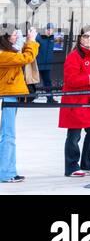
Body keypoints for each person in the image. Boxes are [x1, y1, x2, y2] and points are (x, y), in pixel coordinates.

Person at [59, 25, 90, 177]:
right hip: (75, 99)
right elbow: (70, 80)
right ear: (80, 38)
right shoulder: (73, 56)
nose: (89, 39)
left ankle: (88, 163)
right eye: (86, 36)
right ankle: (71, 166)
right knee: (74, 135)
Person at [0, 25, 39, 183]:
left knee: (8, 135)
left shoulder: (8, 53)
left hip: (11, 96)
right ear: (5, 37)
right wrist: (31, 41)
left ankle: (8, 170)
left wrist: (28, 42)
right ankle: (6, 173)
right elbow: (26, 58)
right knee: (8, 136)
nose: (17, 37)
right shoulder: (3, 55)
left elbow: (22, 55)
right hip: (7, 97)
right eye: (14, 35)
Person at [35, 23, 58, 104]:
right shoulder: (39, 37)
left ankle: (50, 98)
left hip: (47, 65)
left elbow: (59, 44)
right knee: (33, 81)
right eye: (48, 29)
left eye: (51, 30)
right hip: (38, 64)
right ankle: (29, 97)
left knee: (47, 82)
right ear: (45, 29)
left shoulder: (53, 38)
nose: (49, 31)